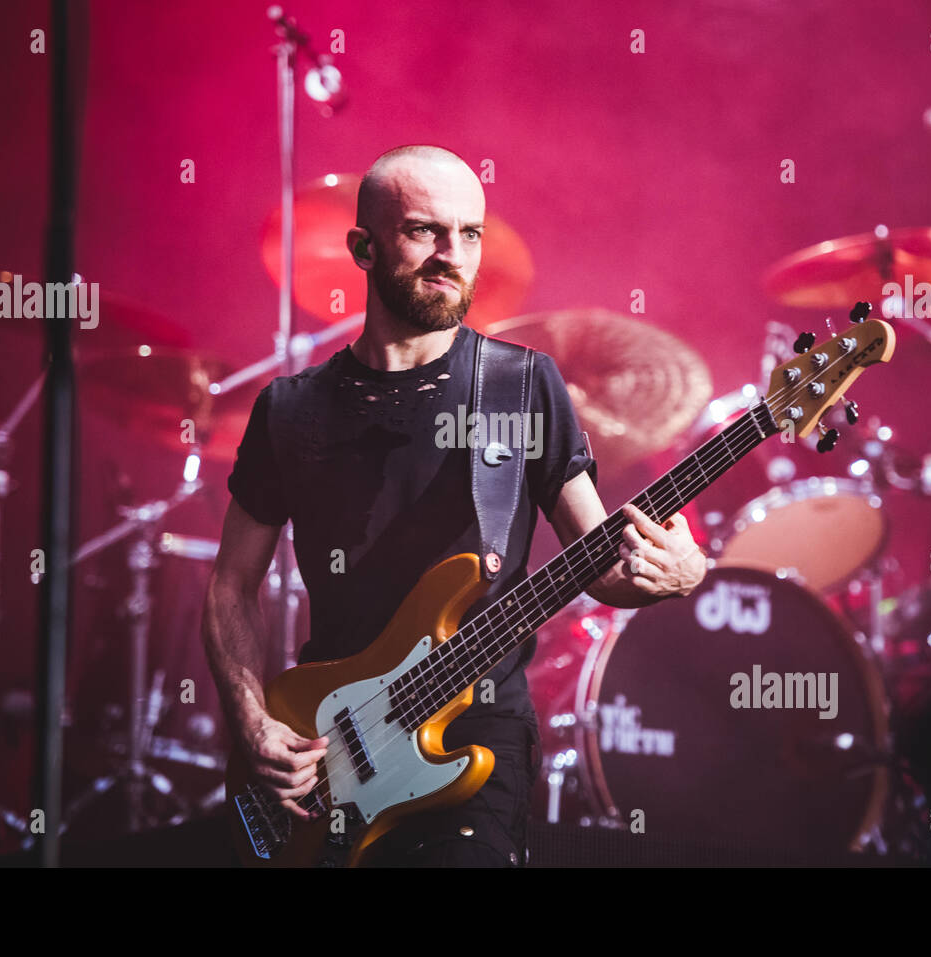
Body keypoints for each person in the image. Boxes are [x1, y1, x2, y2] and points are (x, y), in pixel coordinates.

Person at [202, 144, 708, 866]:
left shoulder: (522, 386)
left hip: (474, 741)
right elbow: (229, 585)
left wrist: (681, 572)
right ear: (362, 248)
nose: (452, 254)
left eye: (469, 234)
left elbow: (599, 563)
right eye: (424, 232)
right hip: (325, 745)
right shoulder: (291, 409)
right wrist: (251, 720)